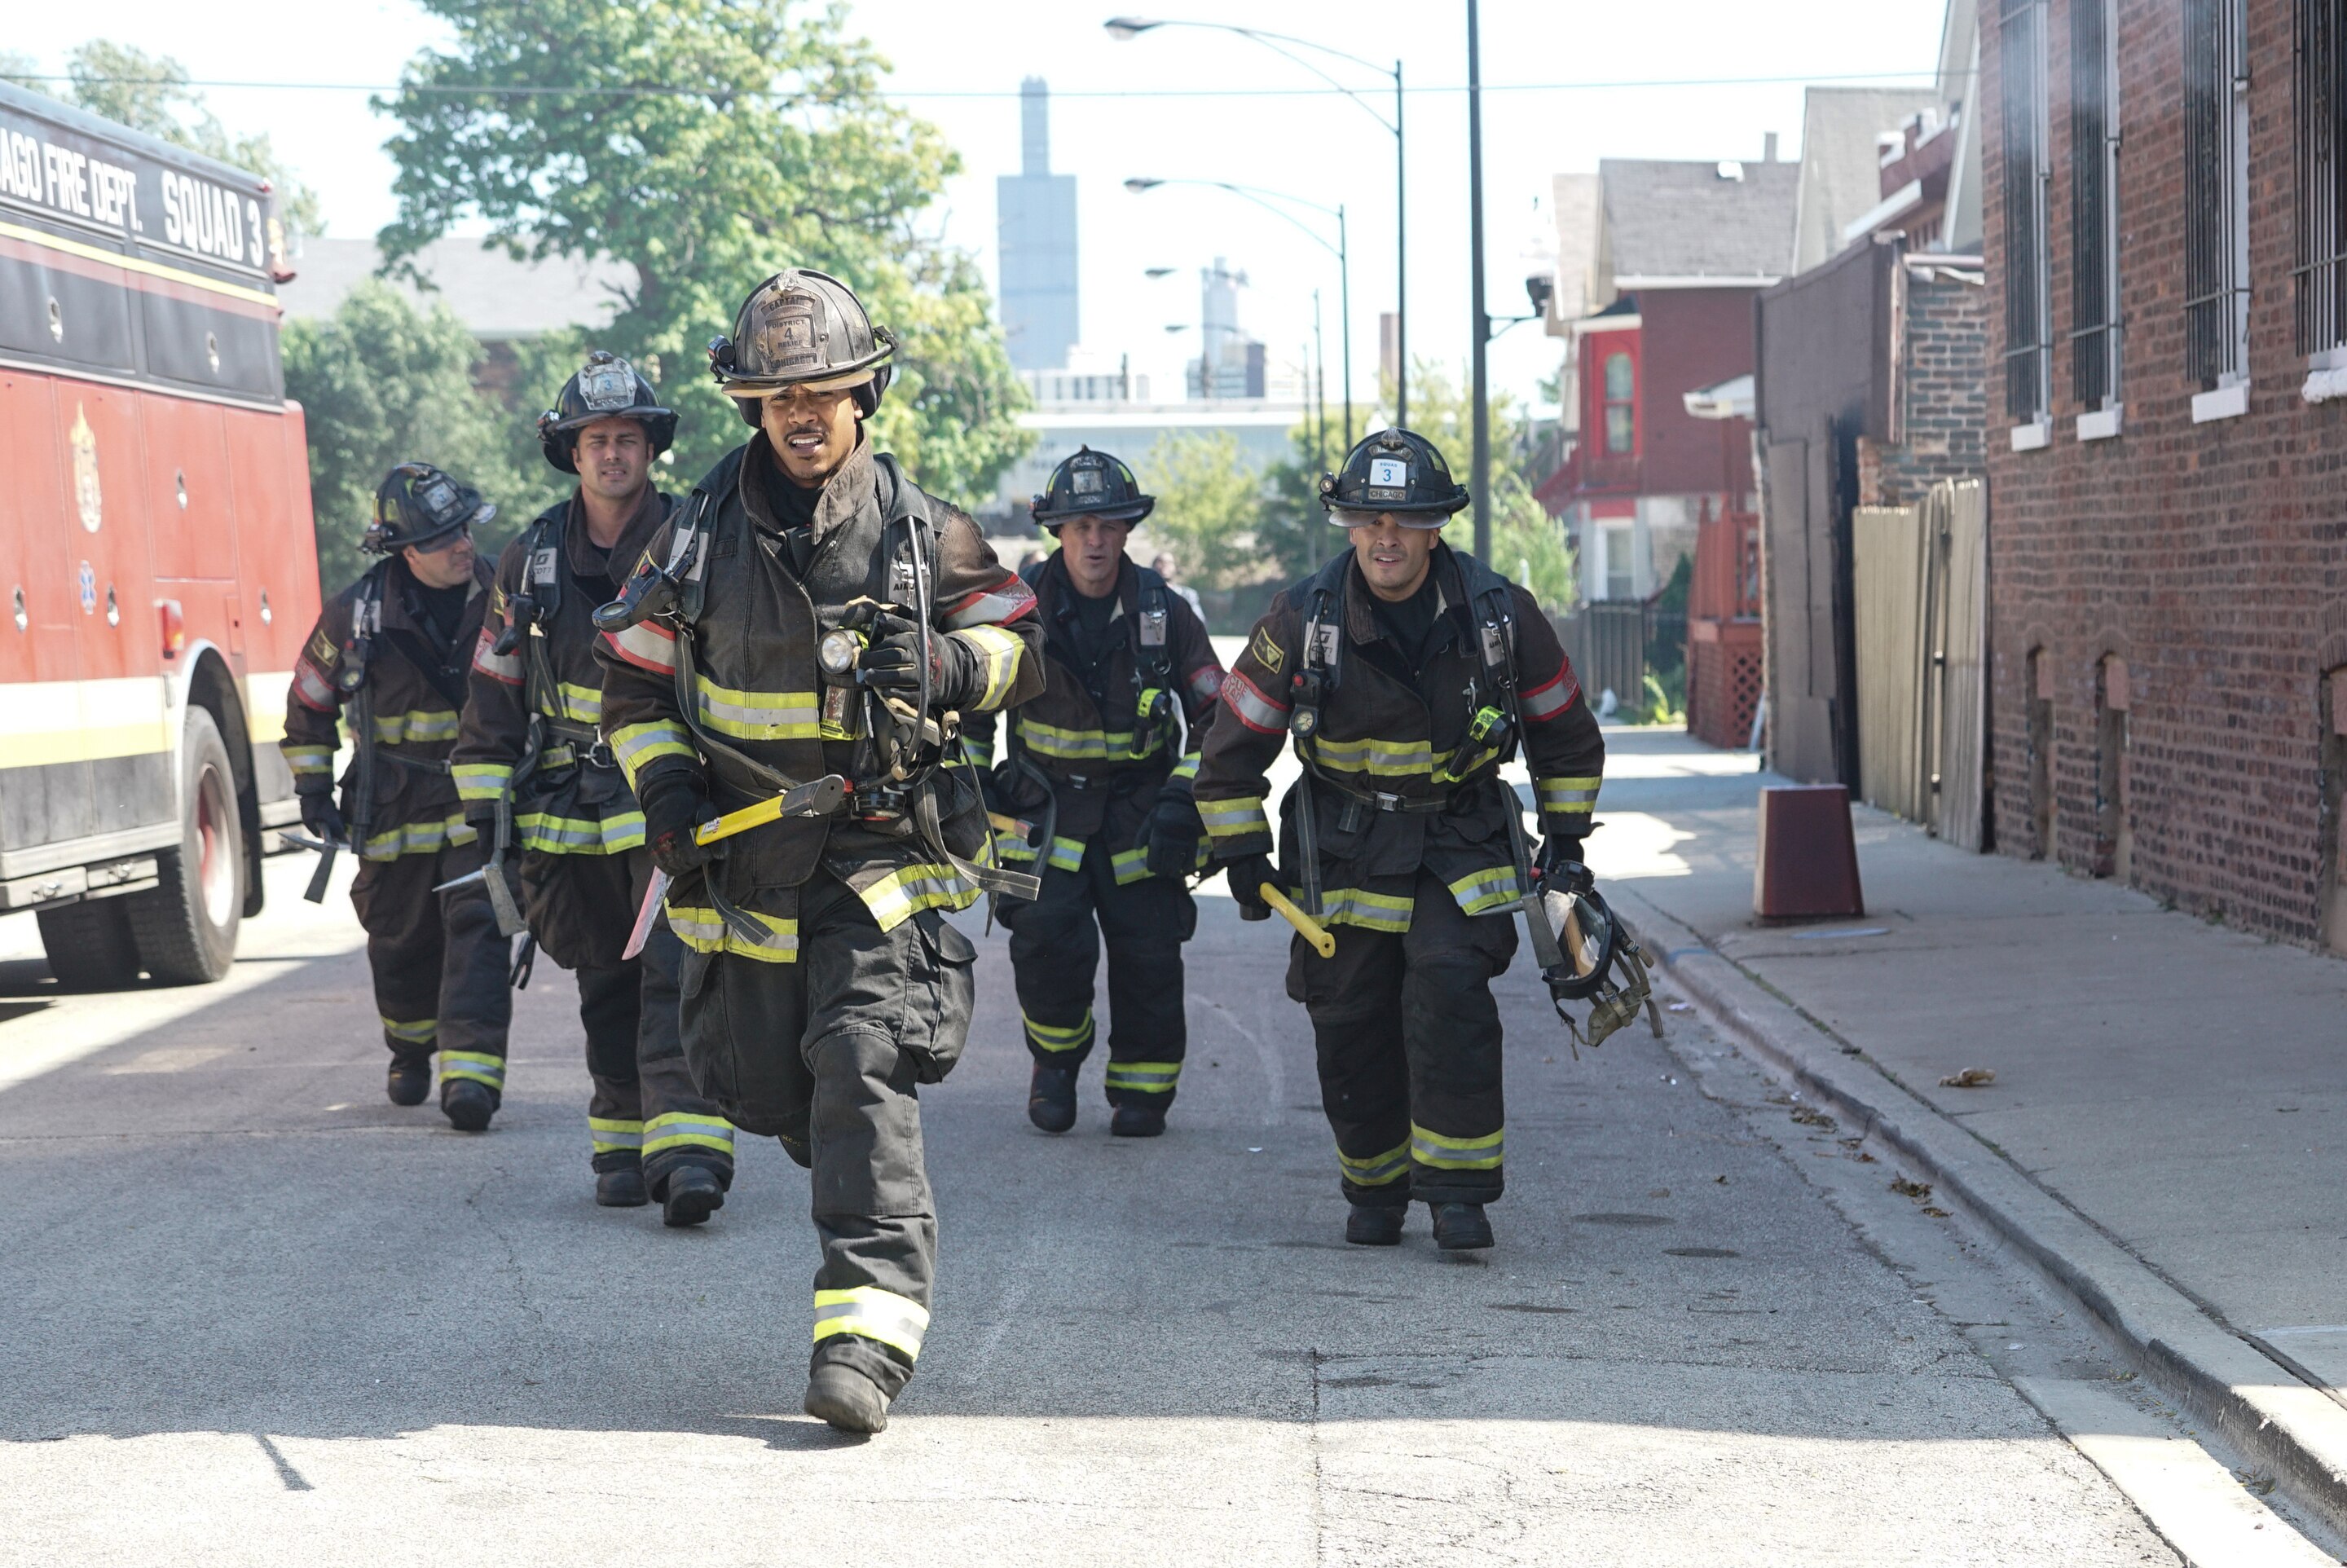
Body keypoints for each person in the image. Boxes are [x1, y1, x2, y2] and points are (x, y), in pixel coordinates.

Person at [594, 268, 1043, 1433]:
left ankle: (863, 1340)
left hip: (877, 855)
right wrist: (671, 790)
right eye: (780, 394)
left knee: (860, 1059)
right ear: (750, 407)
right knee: (767, 1085)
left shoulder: (918, 531)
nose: (803, 412)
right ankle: (829, 1163)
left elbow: (1018, 646)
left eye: (827, 391)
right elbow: (633, 685)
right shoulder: (694, 535)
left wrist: (951, 667)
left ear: (865, 396)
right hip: (744, 865)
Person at [1192, 428, 1605, 1253]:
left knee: (1447, 988)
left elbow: (1566, 733)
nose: (1387, 538)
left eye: (1407, 520)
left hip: (1459, 842)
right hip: (1342, 846)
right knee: (1350, 1014)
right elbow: (1232, 742)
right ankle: (1375, 1185)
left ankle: (1457, 1193)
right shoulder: (1304, 618)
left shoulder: (1499, 615)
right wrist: (1237, 848)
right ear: (1348, 525)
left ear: (1436, 526)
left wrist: (1565, 843)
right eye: (1370, 520)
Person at [451, 351, 736, 1225]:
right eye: (596, 440)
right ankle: (620, 1141)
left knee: (677, 967)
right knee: (603, 984)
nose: (613, 454)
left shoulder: (699, 541)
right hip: (567, 812)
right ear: (571, 453)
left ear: (651, 449)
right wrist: (486, 806)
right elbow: (494, 685)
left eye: (627, 439)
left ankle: (689, 1151)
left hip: (670, 795)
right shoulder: (529, 560)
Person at [968, 447, 1222, 1137]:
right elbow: (971, 707)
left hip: (1142, 823)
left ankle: (1142, 1089)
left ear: (1129, 529)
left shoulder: (1166, 615)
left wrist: (1181, 800)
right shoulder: (1014, 614)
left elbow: (1221, 721)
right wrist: (970, 794)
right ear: (1056, 531)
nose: (1096, 540)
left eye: (1109, 525)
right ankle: (1054, 1063)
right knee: (1046, 948)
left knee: (1149, 958)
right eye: (1081, 526)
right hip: (1043, 817)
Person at [281, 465, 512, 1125]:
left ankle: (471, 1079)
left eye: (463, 528)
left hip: (481, 804)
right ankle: (410, 1049)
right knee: (400, 943)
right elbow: (310, 700)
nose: (462, 544)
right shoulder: (357, 614)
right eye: (442, 537)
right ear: (405, 552)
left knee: (482, 927)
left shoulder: (505, 594)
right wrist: (313, 787)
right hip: (392, 806)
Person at [1150, 551, 1206, 624]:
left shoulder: (1188, 595)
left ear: (1176, 568)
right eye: (1161, 562)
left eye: (1169, 562)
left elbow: (1199, 622)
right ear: (1153, 567)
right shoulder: (1142, 595)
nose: (1165, 565)